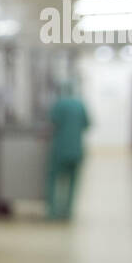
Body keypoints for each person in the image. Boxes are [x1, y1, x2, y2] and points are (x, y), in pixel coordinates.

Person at [46, 81, 90, 220]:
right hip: (76, 149)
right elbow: (87, 124)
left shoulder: (59, 104)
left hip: (60, 148)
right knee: (73, 181)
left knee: (54, 180)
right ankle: (68, 211)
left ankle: (53, 211)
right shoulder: (80, 105)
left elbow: (53, 123)